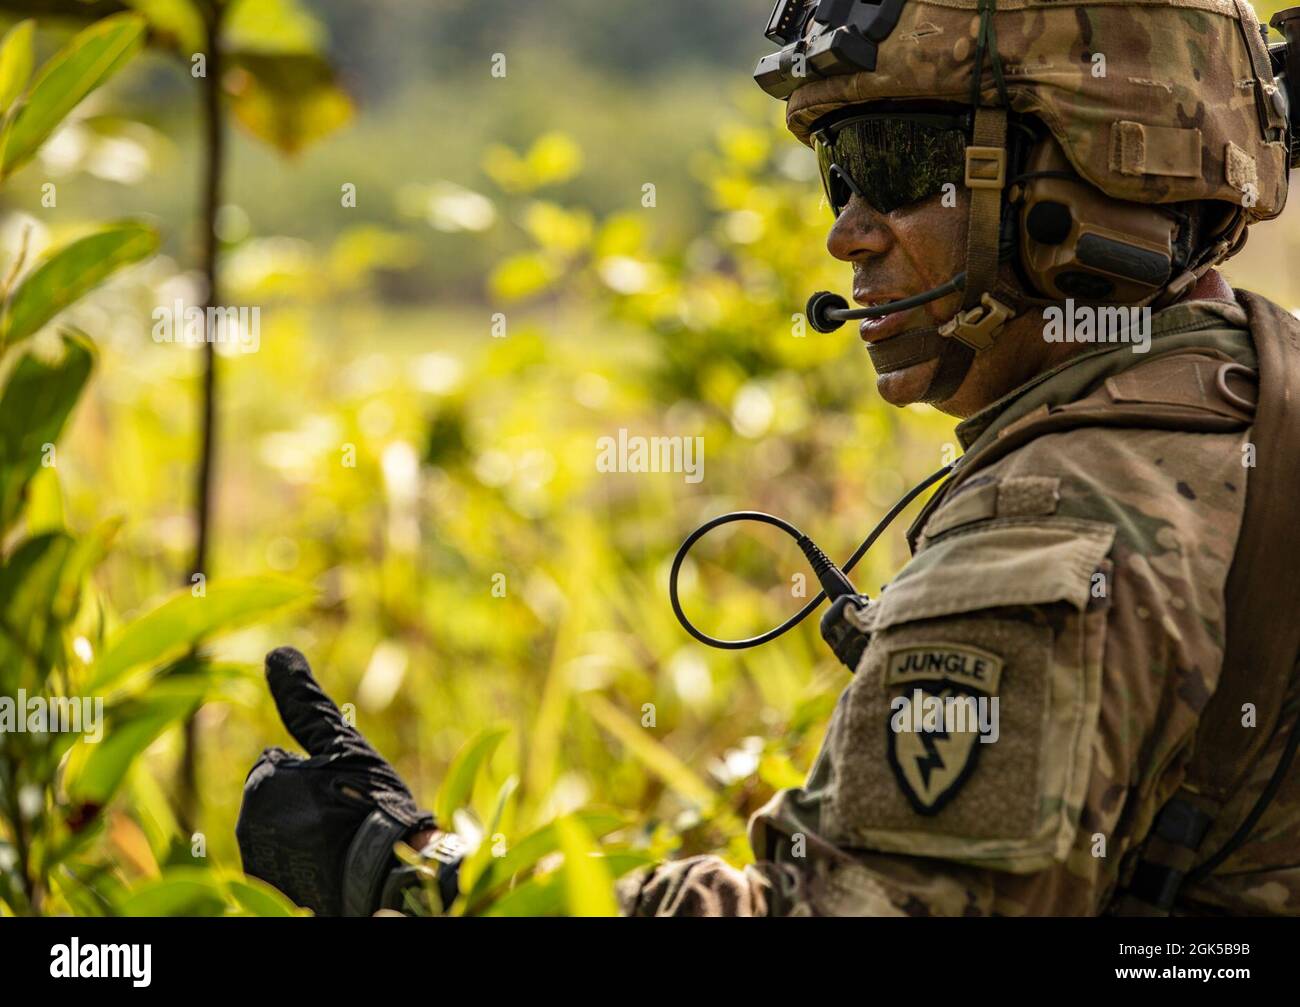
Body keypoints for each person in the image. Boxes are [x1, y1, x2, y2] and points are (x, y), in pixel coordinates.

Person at [237, 0, 1300, 916]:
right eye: (837, 175)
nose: (848, 234)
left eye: (898, 166)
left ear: (1091, 168)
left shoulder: (1053, 527)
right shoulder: (1259, 397)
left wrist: (407, 876)